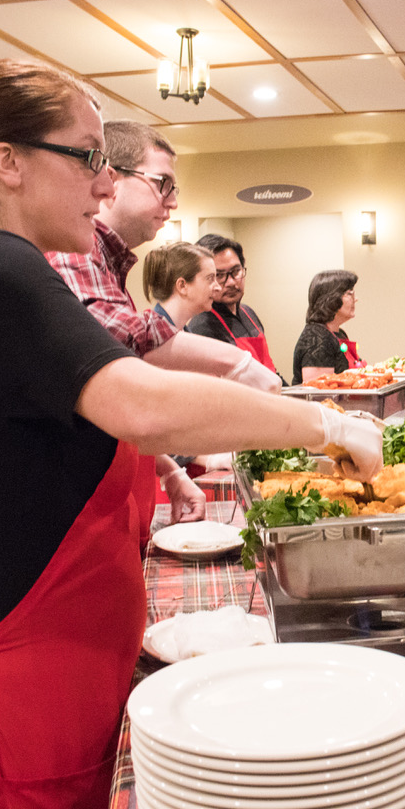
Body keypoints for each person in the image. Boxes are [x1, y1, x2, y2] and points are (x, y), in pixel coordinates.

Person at [0, 59, 382, 809]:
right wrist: (325, 422)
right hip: (1, 702)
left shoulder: (1, 266)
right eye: (87, 157)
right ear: (7, 163)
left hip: (47, 680)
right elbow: (138, 404)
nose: (107, 184)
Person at [46, 120, 281, 529]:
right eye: (163, 184)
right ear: (111, 178)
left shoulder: (109, 263)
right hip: (80, 512)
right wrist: (236, 364)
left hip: (123, 495)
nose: (171, 203)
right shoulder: (75, 252)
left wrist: (169, 472)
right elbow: (117, 336)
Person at [186, 233, 283, 381]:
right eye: (219, 275)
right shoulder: (202, 325)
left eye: (236, 271)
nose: (231, 282)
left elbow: (270, 372)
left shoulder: (248, 313)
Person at [292, 270, 366, 384]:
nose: (355, 299)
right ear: (331, 298)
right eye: (349, 293)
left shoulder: (339, 333)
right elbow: (320, 394)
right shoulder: (316, 339)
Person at [142, 241, 221, 329]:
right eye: (210, 278)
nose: (218, 287)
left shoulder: (178, 330)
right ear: (182, 286)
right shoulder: (153, 337)